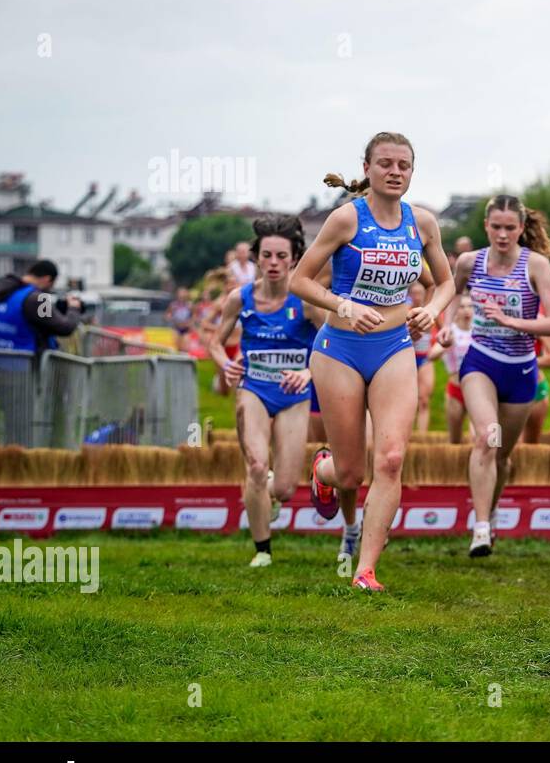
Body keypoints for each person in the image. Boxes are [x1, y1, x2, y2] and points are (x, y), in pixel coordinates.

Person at [290, 132, 454, 592]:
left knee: (392, 458)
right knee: (350, 472)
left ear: (412, 171)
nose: (395, 171)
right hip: (339, 350)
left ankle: (366, 570)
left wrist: (432, 310)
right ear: (367, 168)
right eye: (385, 163)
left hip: (395, 348)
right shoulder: (345, 219)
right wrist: (344, 306)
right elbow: (300, 281)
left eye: (403, 164)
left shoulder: (422, 223)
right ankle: (323, 471)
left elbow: (446, 283)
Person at [446, 195, 550, 557]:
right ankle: (480, 528)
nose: (502, 234)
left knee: (502, 455)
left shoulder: (536, 265)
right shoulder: (470, 261)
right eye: (496, 227)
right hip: (480, 362)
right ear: (486, 226)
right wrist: (448, 325)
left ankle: (491, 514)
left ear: (521, 229)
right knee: (486, 438)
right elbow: (450, 292)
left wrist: (511, 321)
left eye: (510, 228)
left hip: (522, 370)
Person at [209, 215, 327, 568]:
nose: (274, 263)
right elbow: (215, 342)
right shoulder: (239, 298)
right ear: (256, 258)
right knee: (257, 466)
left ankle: (273, 490)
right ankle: (263, 550)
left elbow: (332, 344)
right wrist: (225, 363)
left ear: (294, 259)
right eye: (267, 256)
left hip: (293, 395)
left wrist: (308, 372)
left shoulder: (306, 301)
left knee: (286, 489)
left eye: (281, 256)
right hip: (254, 389)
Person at [0, 259, 82, 356]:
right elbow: (64, 328)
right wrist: (74, 308)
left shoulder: (3, 291)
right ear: (47, 279)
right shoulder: (40, 299)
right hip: (28, 366)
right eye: (51, 285)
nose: (50, 290)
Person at [436, 294, 474, 444]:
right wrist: (445, 345)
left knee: (482, 438)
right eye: (462, 306)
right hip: (455, 390)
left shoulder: (480, 330)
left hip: (479, 390)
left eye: (470, 306)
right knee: (454, 441)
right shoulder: (450, 331)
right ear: (455, 310)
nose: (466, 310)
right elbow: (432, 355)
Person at [407, 280, 443, 433]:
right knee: (408, 401)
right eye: (414, 294)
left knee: (423, 400)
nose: (417, 297)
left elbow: (443, 331)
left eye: (420, 293)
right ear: (410, 295)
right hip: (407, 358)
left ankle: (422, 436)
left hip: (425, 358)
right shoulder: (404, 311)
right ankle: (407, 434)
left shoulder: (430, 313)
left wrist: (439, 346)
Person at [520, 335, 550, 444]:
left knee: (530, 445)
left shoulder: (536, 321)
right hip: (502, 388)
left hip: (535, 389)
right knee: (498, 444)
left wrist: (521, 363)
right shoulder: (495, 321)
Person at [166, 287, 194, 352]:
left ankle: (185, 358)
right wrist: (170, 317)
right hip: (176, 328)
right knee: (177, 347)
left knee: (185, 348)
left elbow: (194, 316)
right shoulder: (173, 305)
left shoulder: (189, 305)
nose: (181, 297)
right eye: (180, 295)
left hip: (186, 329)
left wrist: (190, 322)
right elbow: (167, 315)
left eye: (183, 295)